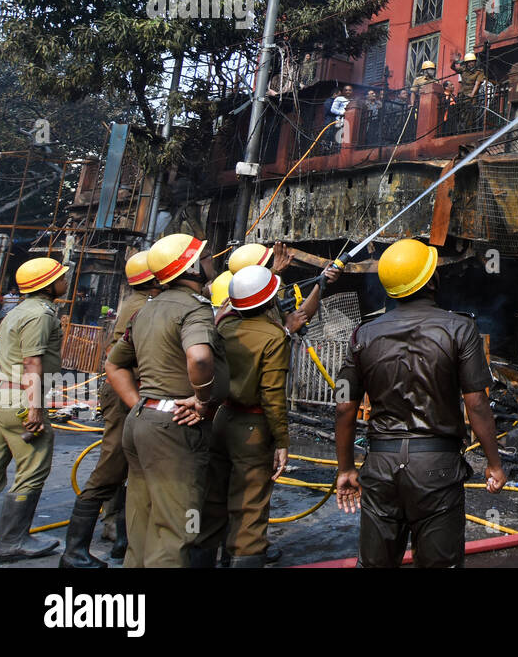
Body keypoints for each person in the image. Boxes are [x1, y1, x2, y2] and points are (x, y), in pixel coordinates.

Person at [334, 238, 505, 567]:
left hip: (381, 465)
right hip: (436, 467)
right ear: (430, 280)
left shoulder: (362, 335)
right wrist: (494, 463)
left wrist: (345, 468)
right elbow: (477, 404)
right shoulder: (460, 329)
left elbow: (344, 406)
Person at [106, 233, 228, 568]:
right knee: (180, 527)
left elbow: (113, 364)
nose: (211, 261)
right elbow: (200, 358)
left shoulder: (145, 311)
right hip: (176, 428)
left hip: (143, 422)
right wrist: (202, 400)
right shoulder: (194, 309)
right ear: (190, 266)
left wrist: (140, 405)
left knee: (141, 523)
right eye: (204, 257)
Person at [193, 265, 325, 567]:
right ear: (269, 301)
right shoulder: (274, 337)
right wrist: (281, 440)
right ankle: (243, 556)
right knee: (250, 506)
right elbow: (272, 396)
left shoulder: (224, 327)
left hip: (221, 419)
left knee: (213, 500)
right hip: (252, 428)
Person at [60, 251, 161, 568]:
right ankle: (74, 552)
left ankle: (122, 540)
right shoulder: (141, 306)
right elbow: (118, 356)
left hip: (128, 391)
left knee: (130, 466)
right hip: (124, 393)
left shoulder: (141, 302)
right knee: (111, 466)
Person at [0, 257, 70, 562]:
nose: (66, 281)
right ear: (48, 285)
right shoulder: (40, 315)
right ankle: (13, 541)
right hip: (22, 401)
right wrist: (36, 408)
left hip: (3, 396)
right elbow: (32, 362)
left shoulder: (16, 312)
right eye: (61, 278)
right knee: (32, 470)